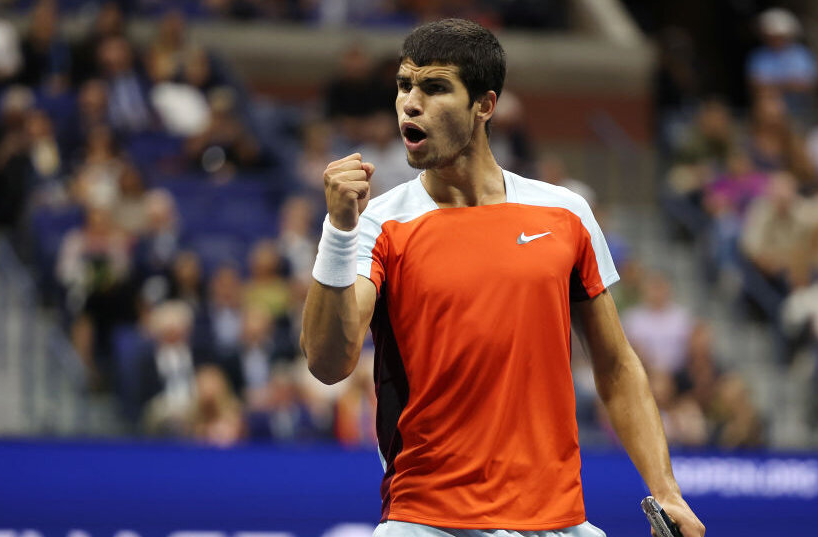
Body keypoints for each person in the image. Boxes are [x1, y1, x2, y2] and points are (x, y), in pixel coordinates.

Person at [300, 19, 705, 537]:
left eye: (435, 87)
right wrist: (337, 230)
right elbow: (328, 363)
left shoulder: (566, 213)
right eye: (404, 86)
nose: (410, 102)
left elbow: (617, 365)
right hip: (428, 522)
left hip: (558, 520)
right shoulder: (377, 224)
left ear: (485, 105)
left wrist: (666, 491)